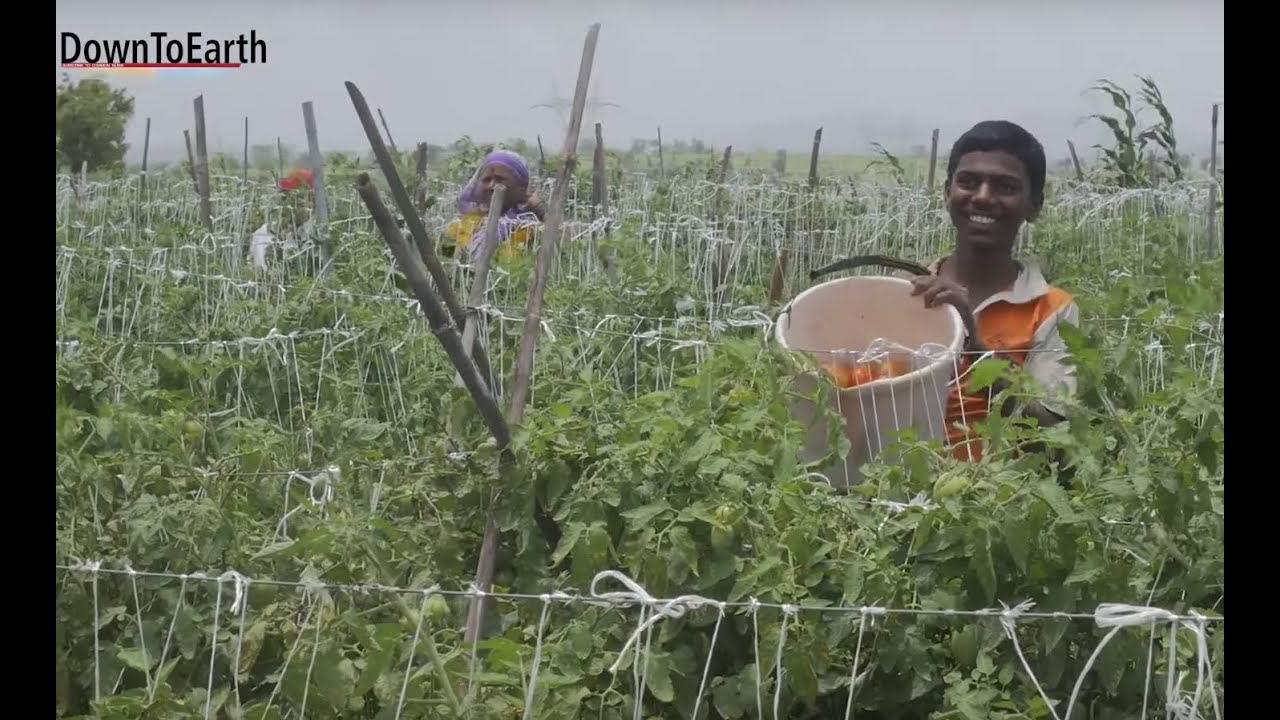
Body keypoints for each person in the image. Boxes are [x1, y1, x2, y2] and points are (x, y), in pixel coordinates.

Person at [906, 120, 1080, 462]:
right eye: (968, 182)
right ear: (947, 193)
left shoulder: (1051, 309)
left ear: (1034, 206)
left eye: (1004, 186)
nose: (983, 197)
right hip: (896, 492)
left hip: (996, 501)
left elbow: (1052, 434)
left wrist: (977, 350)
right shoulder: (906, 291)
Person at [442, 150, 547, 263]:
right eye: (487, 180)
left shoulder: (532, 225)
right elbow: (444, 257)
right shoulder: (467, 223)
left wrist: (539, 207)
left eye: (500, 179)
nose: (491, 186)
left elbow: (563, 242)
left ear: (522, 187)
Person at [249, 168, 316, 269]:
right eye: (286, 196)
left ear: (312, 203)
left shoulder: (315, 238)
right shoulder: (263, 234)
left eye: (299, 198)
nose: (291, 203)